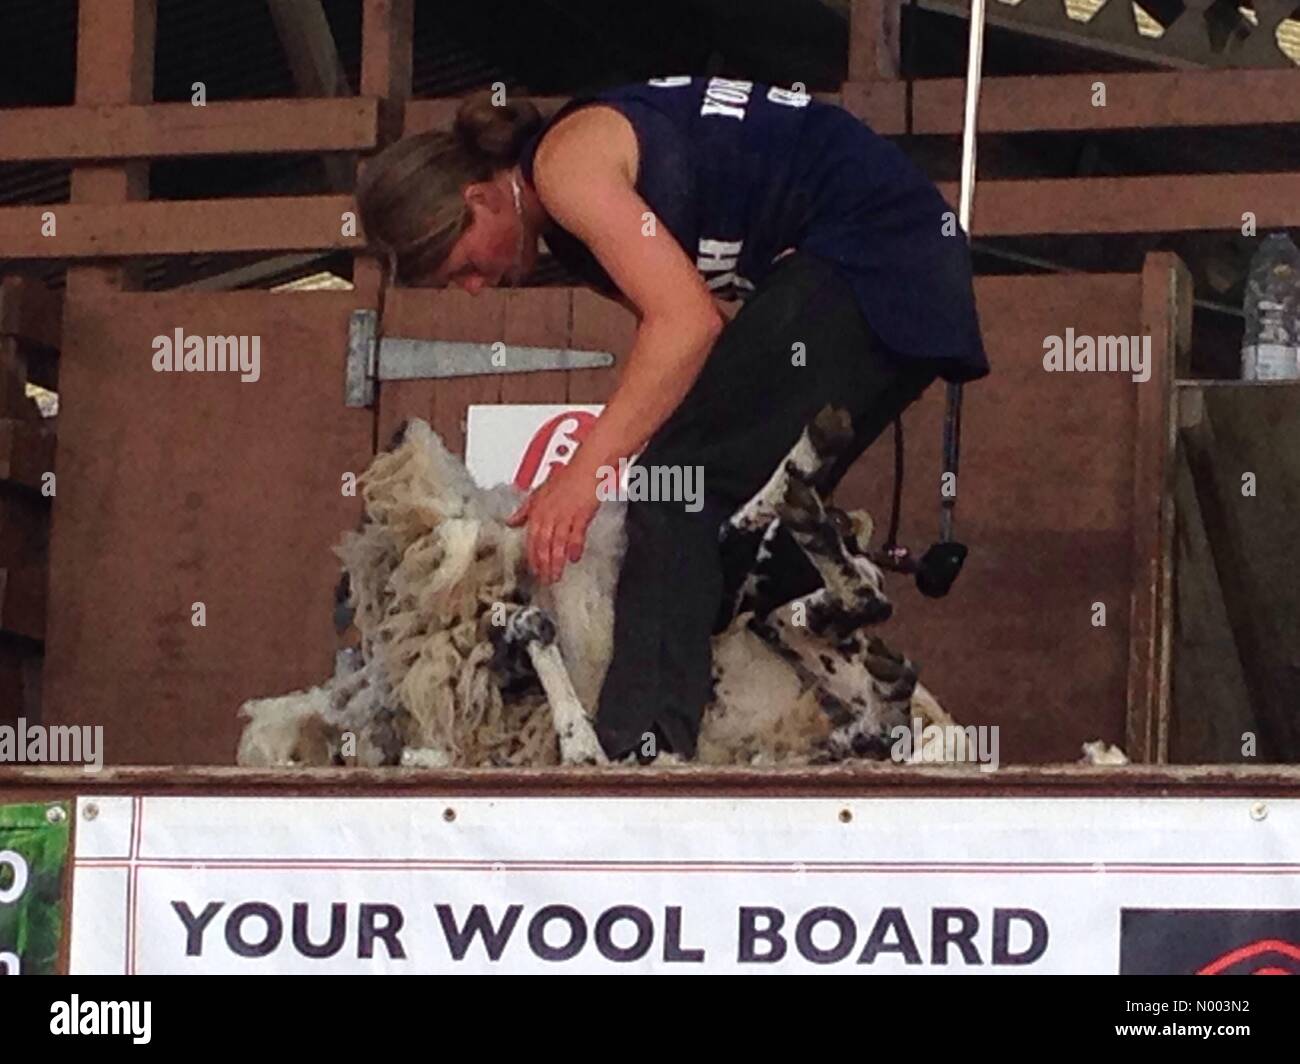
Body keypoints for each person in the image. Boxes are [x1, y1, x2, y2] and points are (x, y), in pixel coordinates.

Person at [356, 75, 989, 762]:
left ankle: (645, 756)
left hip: (869, 255)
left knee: (674, 488)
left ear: (477, 199)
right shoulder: (571, 220)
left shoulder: (563, 167)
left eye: (460, 268)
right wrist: (619, 452)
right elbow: (710, 339)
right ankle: (854, 733)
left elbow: (685, 327)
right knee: (744, 512)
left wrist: (584, 474)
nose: (475, 288)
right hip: (895, 271)